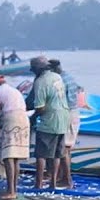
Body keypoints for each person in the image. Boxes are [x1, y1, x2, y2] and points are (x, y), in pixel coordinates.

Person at [27, 55, 69, 191]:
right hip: (63, 118)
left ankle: (38, 184)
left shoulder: (40, 82)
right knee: (57, 154)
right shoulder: (57, 77)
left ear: (36, 70)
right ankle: (53, 184)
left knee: (41, 154)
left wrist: (32, 119)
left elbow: (40, 107)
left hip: (49, 120)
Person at [0, 73, 28, 200]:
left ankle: (10, 191)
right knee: (15, 157)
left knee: (8, 156)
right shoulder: (14, 91)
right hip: (24, 119)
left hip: (11, 120)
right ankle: (14, 189)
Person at [49, 58, 84, 189]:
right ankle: (61, 177)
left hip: (67, 113)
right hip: (74, 112)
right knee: (66, 149)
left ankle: (67, 180)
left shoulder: (59, 80)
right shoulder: (69, 76)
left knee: (63, 149)